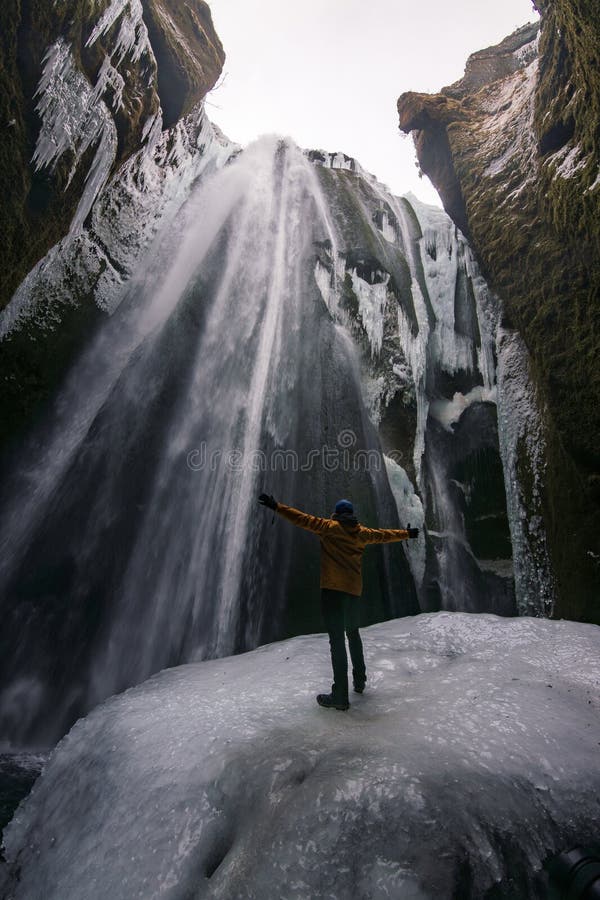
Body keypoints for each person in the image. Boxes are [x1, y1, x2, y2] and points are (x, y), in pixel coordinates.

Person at [258, 493, 419, 711]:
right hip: (353, 592)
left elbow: (302, 518)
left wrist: (277, 507)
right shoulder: (362, 533)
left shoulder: (328, 527)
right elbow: (384, 535)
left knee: (336, 641)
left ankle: (340, 694)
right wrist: (407, 534)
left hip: (333, 592)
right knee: (353, 634)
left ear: (336, 514)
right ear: (351, 515)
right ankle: (360, 680)